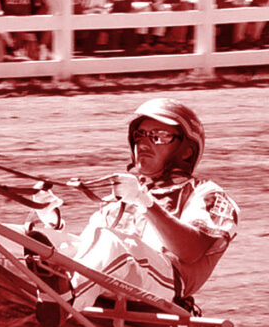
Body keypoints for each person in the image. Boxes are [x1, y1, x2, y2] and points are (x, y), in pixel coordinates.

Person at [38, 99, 238, 310]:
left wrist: (146, 202)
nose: (143, 143)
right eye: (139, 135)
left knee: (112, 240)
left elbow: (191, 251)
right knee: (31, 239)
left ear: (186, 151)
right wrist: (50, 223)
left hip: (164, 287)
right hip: (111, 279)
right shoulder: (126, 192)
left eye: (158, 136)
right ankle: (5, 299)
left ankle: (66, 301)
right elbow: (88, 246)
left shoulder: (208, 193)